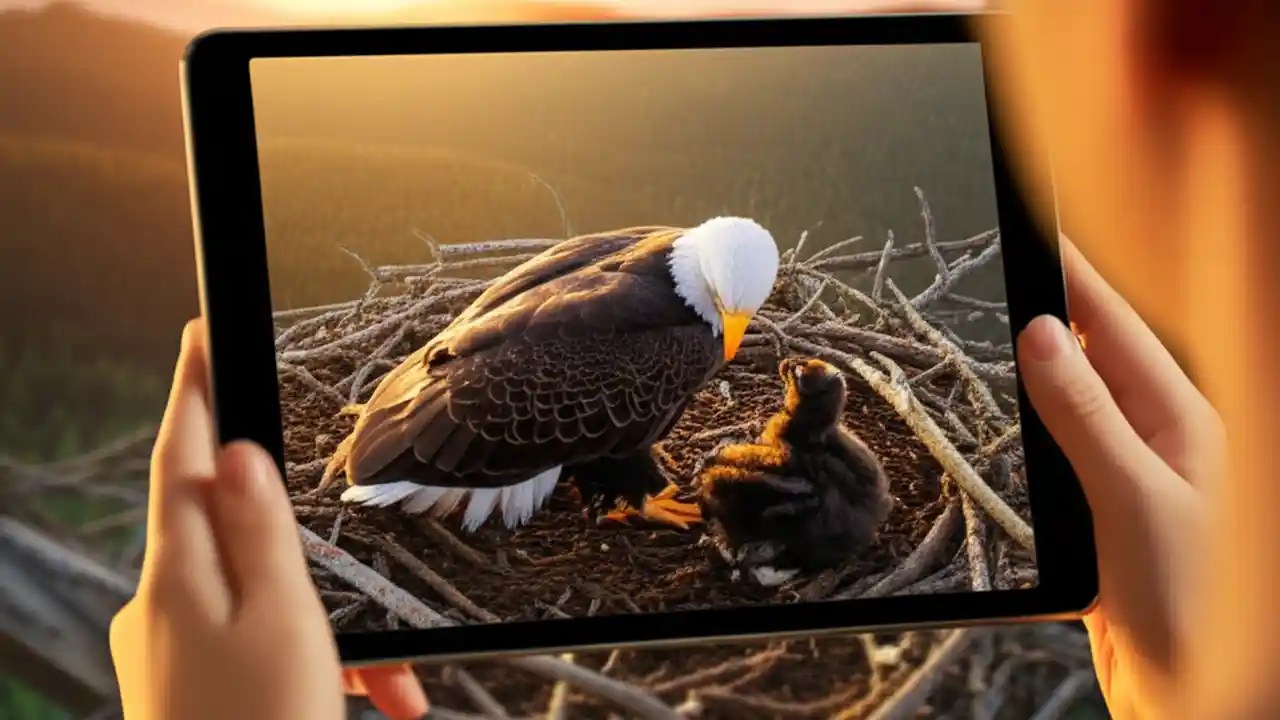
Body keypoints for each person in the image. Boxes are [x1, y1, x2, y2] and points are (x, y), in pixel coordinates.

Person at [108, 2, 1280, 719]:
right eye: (720, 322)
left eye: (737, 326)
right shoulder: (652, 325)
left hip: (502, 386)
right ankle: (640, 500)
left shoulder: (676, 270)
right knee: (618, 443)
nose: (726, 346)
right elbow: (583, 406)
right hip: (455, 437)